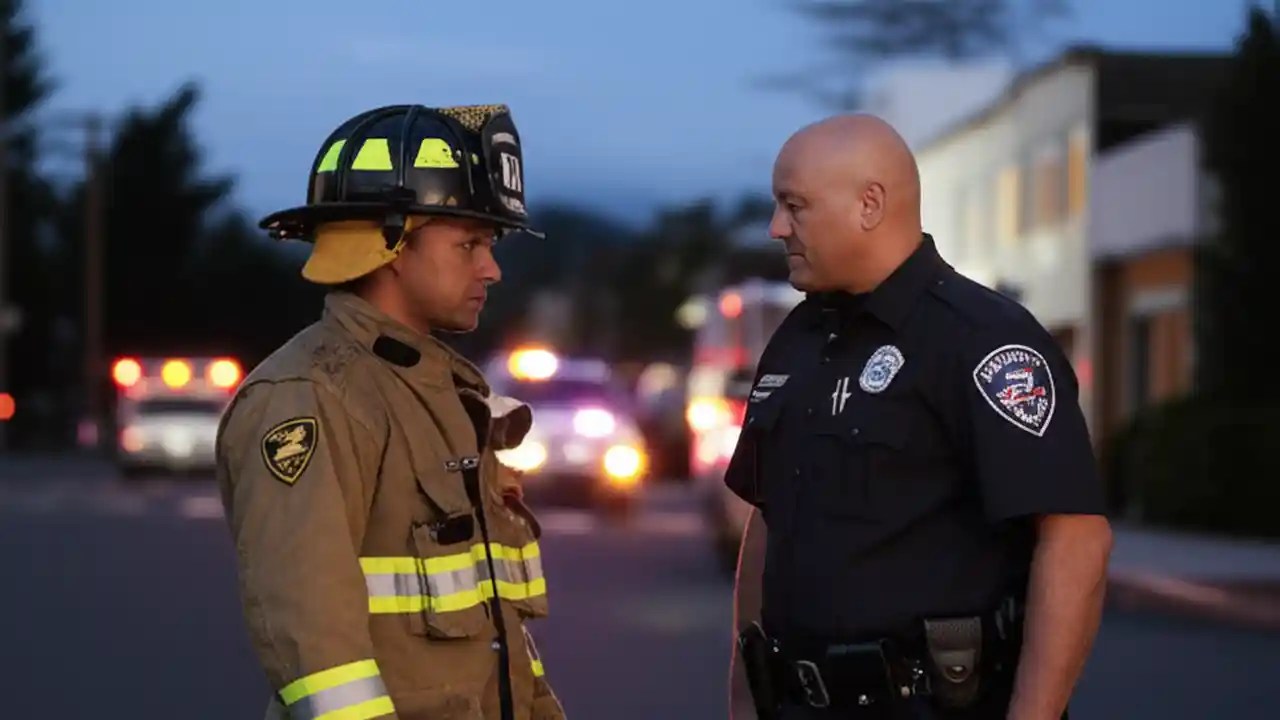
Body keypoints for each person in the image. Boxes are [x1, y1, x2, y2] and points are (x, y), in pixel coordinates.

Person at [726, 114, 1113, 720]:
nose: (777, 228)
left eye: (793, 205)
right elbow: (766, 520)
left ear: (870, 204)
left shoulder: (984, 341)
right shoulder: (797, 340)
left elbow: (1074, 540)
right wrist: (745, 696)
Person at [215, 103, 566, 720]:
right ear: (392, 245)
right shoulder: (308, 397)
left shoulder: (444, 392)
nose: (493, 268)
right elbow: (315, 646)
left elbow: (498, 635)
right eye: (470, 244)